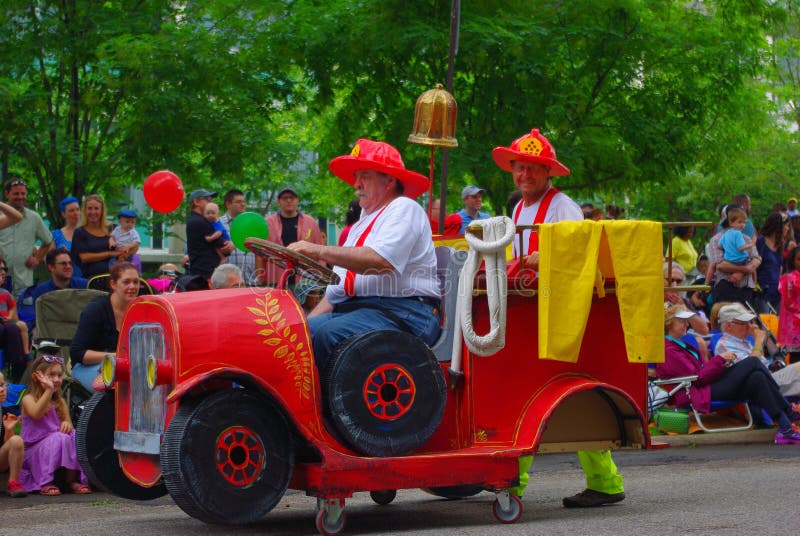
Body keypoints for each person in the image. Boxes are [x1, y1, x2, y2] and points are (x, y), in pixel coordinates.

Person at [491, 128, 622, 508]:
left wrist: (543, 257)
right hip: (531, 309)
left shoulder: (562, 206)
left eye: (533, 168)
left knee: (531, 393)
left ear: (548, 172)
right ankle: (605, 481)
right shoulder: (518, 209)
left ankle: (512, 485)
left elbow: (580, 258)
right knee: (555, 396)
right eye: (519, 168)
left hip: (559, 312)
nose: (525, 175)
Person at [287, 138, 441, 373]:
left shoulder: (404, 208)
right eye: (356, 177)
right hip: (366, 311)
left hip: (408, 313)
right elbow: (336, 294)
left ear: (388, 180)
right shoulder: (362, 222)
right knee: (296, 336)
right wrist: (304, 325)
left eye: (364, 176)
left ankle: (324, 407)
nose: (356, 184)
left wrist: (317, 249)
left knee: (328, 335)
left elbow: (381, 262)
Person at [658, 303, 800, 444]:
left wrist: (721, 364)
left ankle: (786, 428)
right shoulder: (669, 349)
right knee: (753, 363)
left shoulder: (679, 344)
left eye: (686, 321)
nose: (686, 325)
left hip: (702, 387)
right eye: (681, 321)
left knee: (757, 377)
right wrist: (720, 359)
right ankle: (788, 412)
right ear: (669, 323)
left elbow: (700, 374)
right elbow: (698, 378)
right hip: (696, 392)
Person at [18, 353, 90, 495]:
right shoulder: (28, 399)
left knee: (73, 435)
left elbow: (68, 424)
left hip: (55, 443)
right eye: (51, 375)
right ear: (36, 377)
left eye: (59, 375)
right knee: (58, 437)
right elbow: (36, 414)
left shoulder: (59, 402)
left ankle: (72, 480)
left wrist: (67, 425)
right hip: (33, 451)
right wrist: (48, 390)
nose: (57, 380)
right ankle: (45, 482)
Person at [69, 262, 139, 391]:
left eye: (136, 282)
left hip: (126, 368)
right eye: (126, 282)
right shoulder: (96, 310)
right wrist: (115, 356)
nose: (132, 286)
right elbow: (77, 353)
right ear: (113, 284)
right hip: (88, 367)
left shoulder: (140, 310)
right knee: (119, 385)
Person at [261, 187, 324, 286]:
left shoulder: (310, 222)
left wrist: (320, 276)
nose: (289, 200)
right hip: (276, 277)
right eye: (285, 198)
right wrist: (261, 275)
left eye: (292, 197)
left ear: (297, 200)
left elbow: (320, 250)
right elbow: (261, 252)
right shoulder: (268, 223)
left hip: (304, 279)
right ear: (278, 202)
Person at [0, 178, 49, 295]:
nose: (20, 197)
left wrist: (37, 258)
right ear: (6, 194)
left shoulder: (34, 217)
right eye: (16, 193)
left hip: (24, 280)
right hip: (2, 279)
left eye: (23, 193)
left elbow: (48, 241)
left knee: (22, 312)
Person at [706, 205, 761, 306]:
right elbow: (720, 265)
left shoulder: (747, 238)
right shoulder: (716, 239)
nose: (742, 224)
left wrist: (741, 272)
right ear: (729, 221)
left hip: (745, 290)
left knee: (746, 320)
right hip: (725, 288)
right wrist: (746, 269)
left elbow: (757, 259)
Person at [71, 194, 124, 279]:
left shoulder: (113, 228)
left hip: (115, 278)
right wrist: (110, 253)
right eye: (89, 208)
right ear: (84, 211)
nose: (93, 212)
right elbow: (84, 257)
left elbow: (132, 243)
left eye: (96, 208)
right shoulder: (79, 232)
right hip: (90, 280)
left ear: (102, 211)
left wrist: (124, 253)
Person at [186, 189, 233, 280]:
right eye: (208, 199)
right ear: (196, 202)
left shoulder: (193, 219)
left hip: (199, 272)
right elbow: (224, 247)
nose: (211, 203)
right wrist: (230, 245)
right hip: (206, 274)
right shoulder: (201, 221)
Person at [0, 256, 30, 382]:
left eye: (4, 269)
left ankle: (18, 369)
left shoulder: (6, 294)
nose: (3, 272)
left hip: (5, 323)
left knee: (15, 328)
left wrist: (10, 316)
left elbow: (13, 312)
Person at [218, 189, 256, 285]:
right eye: (238, 202)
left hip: (249, 281)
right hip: (226, 283)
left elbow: (257, 251)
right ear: (228, 204)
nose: (243, 204)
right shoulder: (218, 224)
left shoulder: (251, 225)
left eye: (244, 202)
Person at [0, 370, 27, 497]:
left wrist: (9, 430)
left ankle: (13, 483)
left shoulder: (6, 411)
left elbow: (7, 447)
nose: (1, 390)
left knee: (16, 440)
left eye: (2, 385)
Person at [755, 212, 786, 313]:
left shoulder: (780, 245)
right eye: (786, 226)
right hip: (762, 293)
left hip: (776, 293)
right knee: (765, 325)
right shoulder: (760, 242)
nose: (788, 229)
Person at [779, 247, 800, 355]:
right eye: (799, 259)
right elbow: (788, 304)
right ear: (793, 261)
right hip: (793, 325)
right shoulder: (788, 278)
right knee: (795, 359)